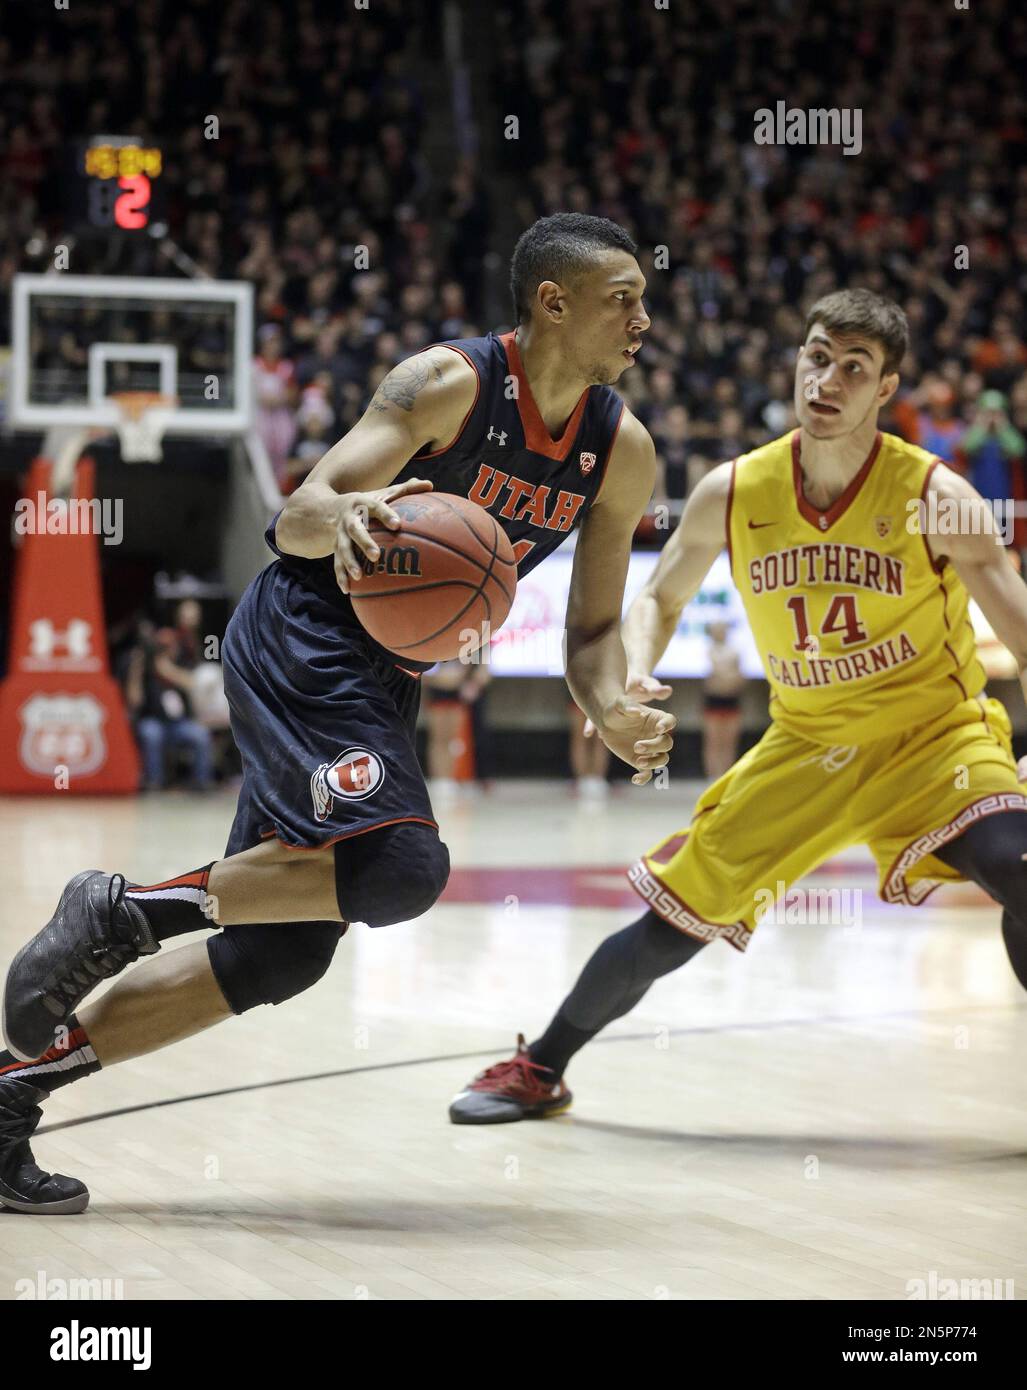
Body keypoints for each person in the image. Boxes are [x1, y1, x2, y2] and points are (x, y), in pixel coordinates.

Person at [0, 213, 675, 1214]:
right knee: (401, 868)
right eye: (623, 297)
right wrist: (348, 514)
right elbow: (296, 513)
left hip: (385, 672)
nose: (643, 319)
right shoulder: (446, 384)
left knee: (282, 948)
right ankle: (123, 912)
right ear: (553, 301)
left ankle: (16, 1094)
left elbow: (588, 634)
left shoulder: (620, 452)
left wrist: (610, 704)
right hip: (304, 629)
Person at [449, 288, 1027, 1125]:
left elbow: (1016, 621)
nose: (826, 380)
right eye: (817, 356)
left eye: (852, 369)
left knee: (1017, 865)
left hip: (932, 739)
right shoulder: (734, 488)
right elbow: (657, 600)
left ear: (884, 389)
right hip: (806, 746)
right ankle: (540, 1067)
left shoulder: (935, 494)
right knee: (666, 927)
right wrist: (631, 674)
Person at [124, 602, 215, 792]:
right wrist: (136, 672)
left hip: (178, 723)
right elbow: (134, 701)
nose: (167, 651)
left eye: (170, 647)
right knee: (151, 733)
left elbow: (193, 683)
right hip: (154, 721)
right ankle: (155, 783)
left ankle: (201, 783)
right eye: (162, 647)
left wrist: (168, 670)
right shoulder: (147, 672)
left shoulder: (181, 665)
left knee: (200, 734)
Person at [700, 619, 745, 781]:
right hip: (714, 700)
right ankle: (712, 774)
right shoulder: (711, 650)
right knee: (713, 741)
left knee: (729, 741)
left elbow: (740, 677)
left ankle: (727, 774)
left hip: (732, 700)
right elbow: (718, 671)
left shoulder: (735, 652)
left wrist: (729, 678)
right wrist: (728, 676)